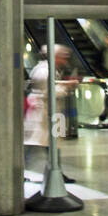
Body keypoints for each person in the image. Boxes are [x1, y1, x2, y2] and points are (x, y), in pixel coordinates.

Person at [25, 45, 75, 173]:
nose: (64, 61)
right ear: (55, 57)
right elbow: (49, 91)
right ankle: (23, 171)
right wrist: (67, 88)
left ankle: (57, 172)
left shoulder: (49, 69)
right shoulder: (44, 71)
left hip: (52, 115)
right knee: (36, 144)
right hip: (43, 114)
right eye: (62, 57)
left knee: (52, 145)